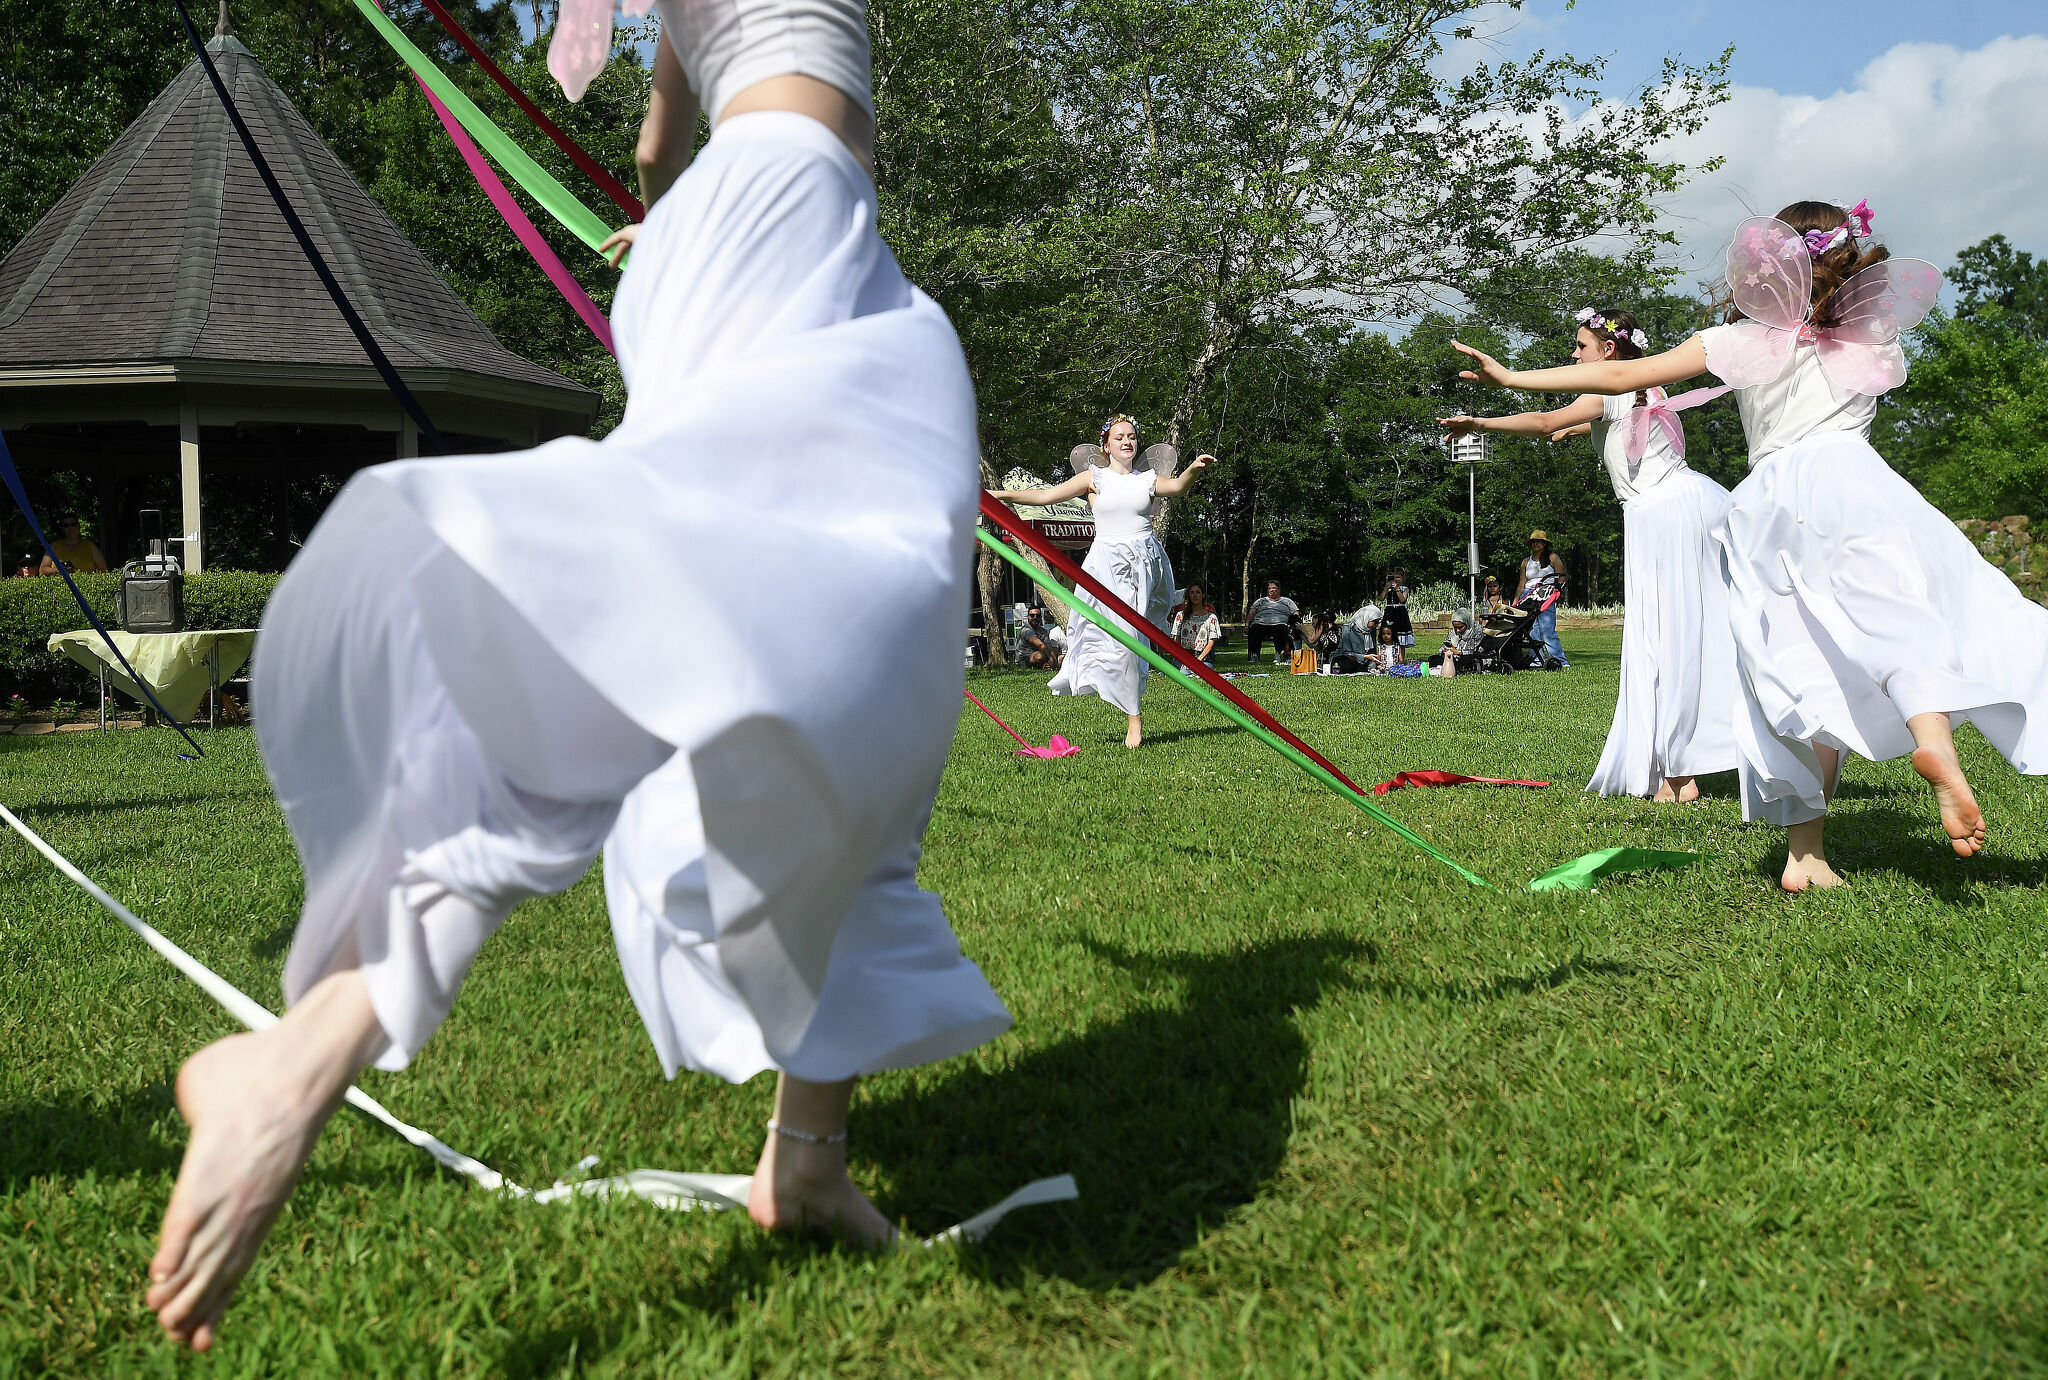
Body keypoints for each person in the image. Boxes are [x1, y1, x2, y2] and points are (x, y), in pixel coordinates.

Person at [146, 2, 1019, 1351]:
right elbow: (691, 132)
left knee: (847, 669)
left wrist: (669, 216)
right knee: (740, 609)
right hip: (786, 214)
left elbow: (664, 136)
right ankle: (318, 1038)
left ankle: (807, 1157)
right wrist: (689, 207)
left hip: (764, 238)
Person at [1448, 198, 2048, 891]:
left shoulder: (1744, 341)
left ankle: (1806, 854)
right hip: (1861, 486)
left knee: (1801, 667)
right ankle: (1933, 740)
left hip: (1776, 501)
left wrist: (1511, 377)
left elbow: (1618, 377)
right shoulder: (1872, 341)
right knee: (1902, 618)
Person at [1440, 306, 1740, 802]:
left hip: (1661, 516)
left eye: (1581, 346)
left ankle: (1677, 776)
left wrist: (1482, 421)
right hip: (1696, 504)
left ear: (1608, 350)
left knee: (1661, 640)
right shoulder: (1647, 388)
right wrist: (1581, 431)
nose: (1574, 354)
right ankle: (1683, 766)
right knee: (1689, 634)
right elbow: (1623, 423)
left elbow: (1543, 419)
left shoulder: (1610, 388)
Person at [989, 417, 1213, 747]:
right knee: (1117, 639)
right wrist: (997, 494)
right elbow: (1046, 496)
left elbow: (1178, 486)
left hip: (1143, 564)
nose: (1127, 441)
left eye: (1132, 437)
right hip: (1106, 564)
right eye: (1119, 437)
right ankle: (1132, 716)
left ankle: (1132, 710)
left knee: (1133, 640)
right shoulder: (1093, 478)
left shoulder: (1147, 479)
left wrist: (1194, 468)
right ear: (1106, 445)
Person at [1509, 532, 1568, 668]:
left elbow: (1561, 577)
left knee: (1547, 630)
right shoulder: (1525, 562)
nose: (1535, 544)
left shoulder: (1553, 558)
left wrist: (1555, 591)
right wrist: (1516, 601)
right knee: (1532, 630)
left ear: (1544, 543)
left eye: (1538, 541)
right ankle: (1536, 660)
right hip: (1528, 594)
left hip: (1546, 594)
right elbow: (1521, 583)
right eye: (1533, 542)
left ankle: (1559, 660)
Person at [1170, 581, 1222, 668]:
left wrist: (1198, 661)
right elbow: (1176, 639)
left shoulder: (1211, 618)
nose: (1195, 595)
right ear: (1189, 596)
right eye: (1192, 593)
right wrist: (1183, 658)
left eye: (1198, 592)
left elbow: (1211, 643)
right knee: (1183, 674)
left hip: (1202, 657)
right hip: (1183, 657)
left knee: (1203, 674)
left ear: (1203, 595)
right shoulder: (1180, 616)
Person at [1245, 581, 1298, 663]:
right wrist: (1247, 624)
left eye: (1274, 588)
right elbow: (1252, 612)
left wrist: (1294, 622)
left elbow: (1295, 613)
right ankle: (1254, 655)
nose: (1271, 590)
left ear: (1279, 589)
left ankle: (1278, 654)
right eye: (1269, 588)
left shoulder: (1287, 601)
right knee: (1254, 629)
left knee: (1281, 629)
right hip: (1260, 623)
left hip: (1279, 623)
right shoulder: (1261, 601)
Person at [38, 516, 107, 575]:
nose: (70, 527)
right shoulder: (54, 546)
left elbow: (103, 571)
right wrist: (61, 571)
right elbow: (42, 570)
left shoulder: (90, 545)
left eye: (73, 524)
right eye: (66, 525)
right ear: (62, 529)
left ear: (78, 526)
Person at [1425, 609, 1481, 676]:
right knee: (1432, 659)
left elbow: (1477, 651)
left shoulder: (1477, 631)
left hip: (1469, 658)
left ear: (1467, 623)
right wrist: (1445, 650)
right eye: (1455, 627)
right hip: (1453, 658)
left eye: (1460, 627)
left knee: (1467, 659)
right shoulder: (1453, 632)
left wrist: (1459, 652)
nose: (1458, 630)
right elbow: (1444, 645)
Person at [1380, 569, 1414, 650]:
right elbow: (1381, 598)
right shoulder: (1388, 589)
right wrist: (1386, 587)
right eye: (1394, 577)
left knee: (1401, 636)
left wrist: (1397, 589)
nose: (1396, 579)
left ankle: (1401, 659)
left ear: (1402, 578)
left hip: (1400, 612)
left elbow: (1403, 600)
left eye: (1398, 577)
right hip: (1389, 612)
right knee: (1389, 632)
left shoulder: (1404, 589)